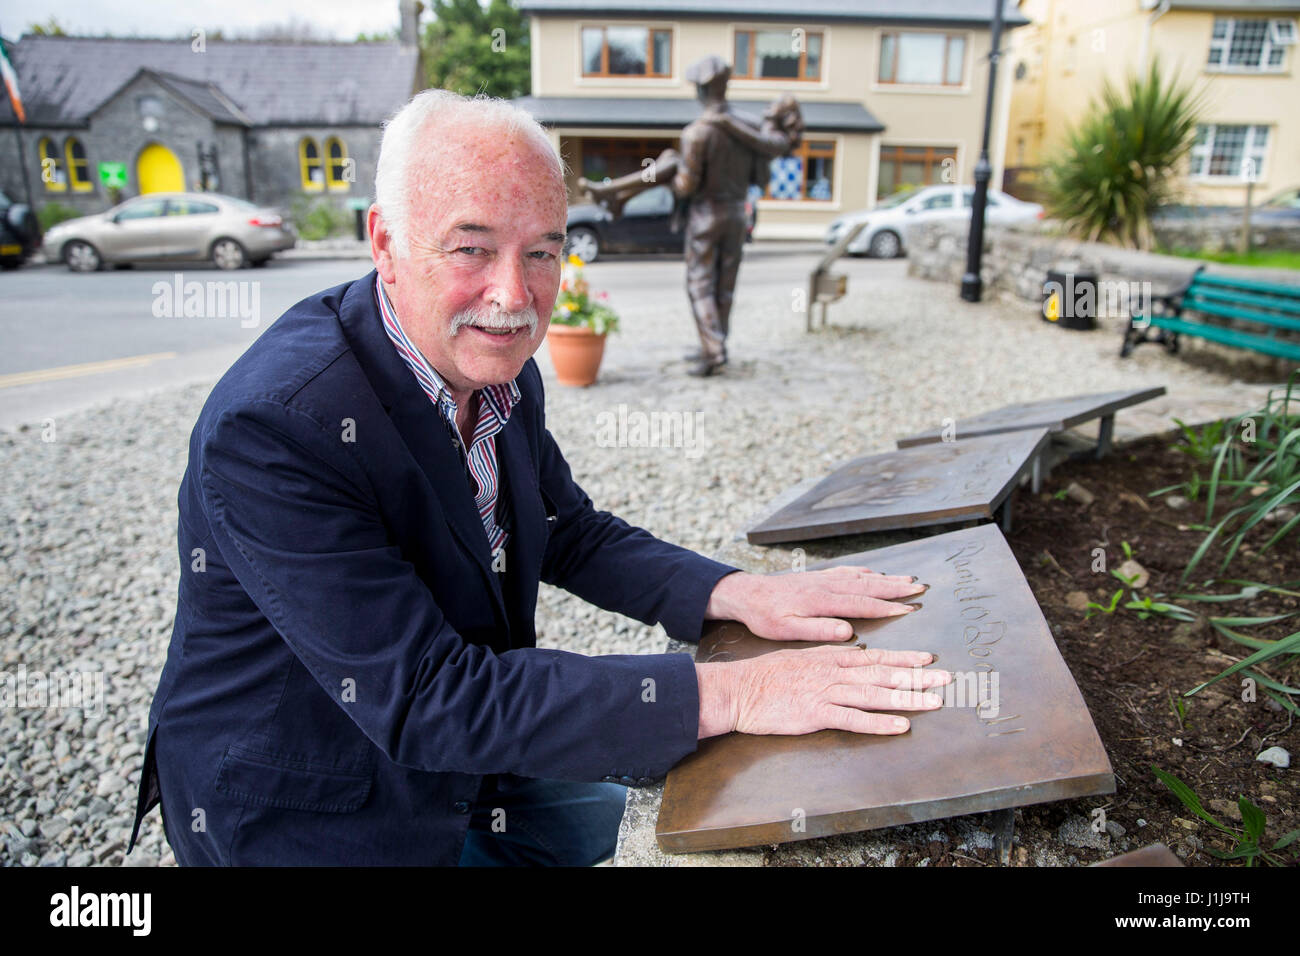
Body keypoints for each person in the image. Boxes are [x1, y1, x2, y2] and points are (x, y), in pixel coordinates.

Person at [127, 89, 950, 867]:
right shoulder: (277, 426)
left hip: (478, 766)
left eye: (544, 251)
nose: (514, 296)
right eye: (471, 248)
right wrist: (733, 692)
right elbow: (426, 698)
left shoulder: (498, 367)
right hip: (315, 808)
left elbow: (566, 529)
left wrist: (736, 594)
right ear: (385, 243)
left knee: (668, 824)